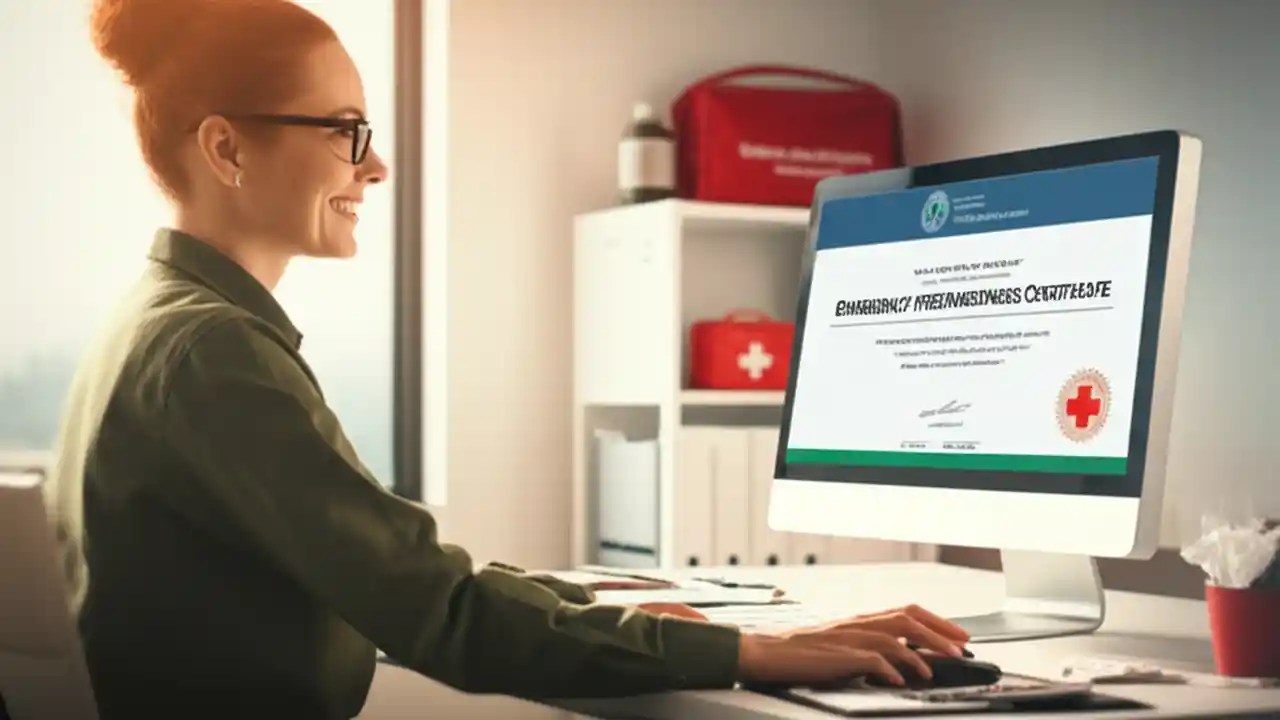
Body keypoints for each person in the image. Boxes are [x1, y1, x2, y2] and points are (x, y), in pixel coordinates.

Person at [45, 0, 971, 717]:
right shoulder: (214, 353)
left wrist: (631, 621)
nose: (375, 167)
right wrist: (751, 652)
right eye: (345, 130)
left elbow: (397, 576)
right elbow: (438, 611)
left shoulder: (159, 323)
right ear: (226, 149)